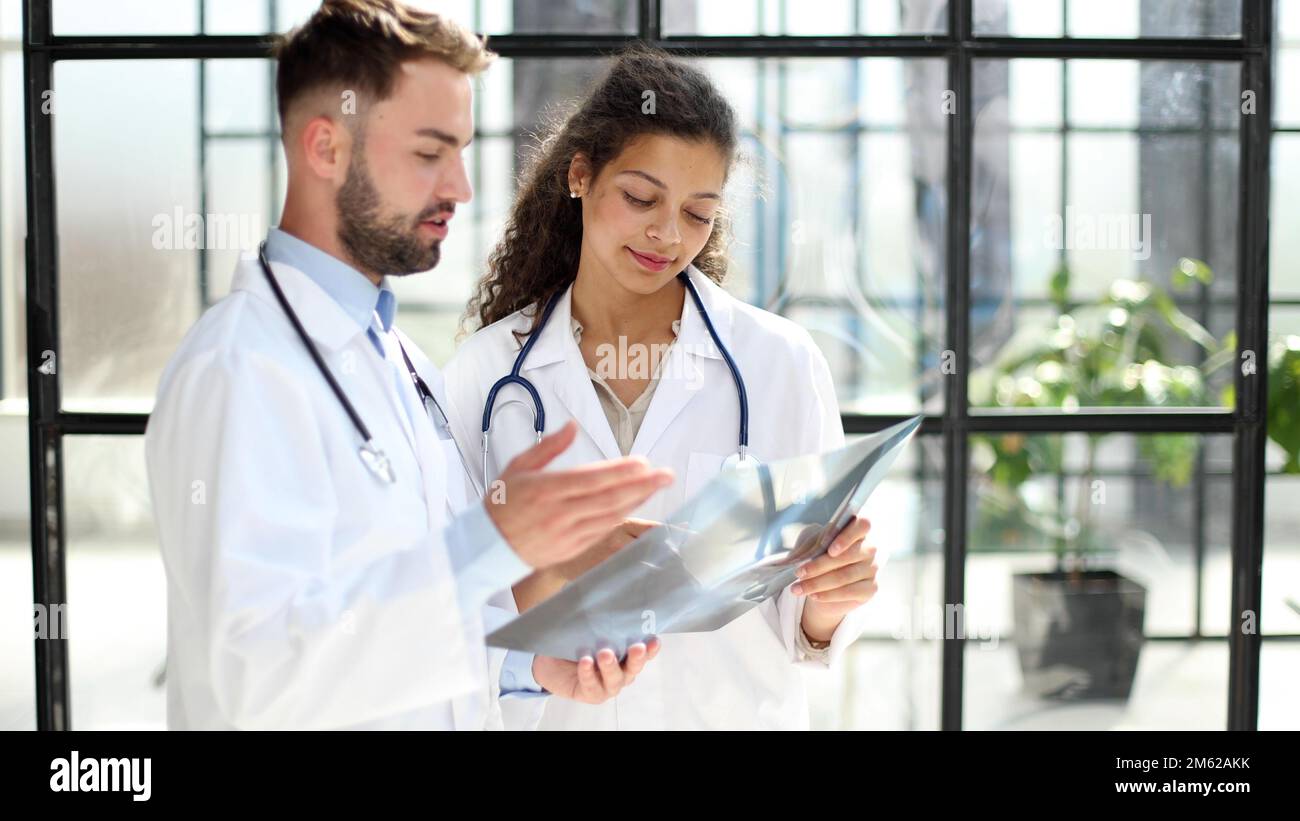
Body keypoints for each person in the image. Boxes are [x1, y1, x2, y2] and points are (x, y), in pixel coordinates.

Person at [144, 0, 669, 731]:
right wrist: (493, 538)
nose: (461, 187)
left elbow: (393, 631)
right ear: (326, 148)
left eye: (461, 150)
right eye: (430, 153)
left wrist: (528, 665)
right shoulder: (240, 369)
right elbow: (255, 678)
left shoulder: (401, 360)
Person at [443, 47, 881, 730]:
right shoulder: (487, 375)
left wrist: (831, 599)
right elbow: (452, 602)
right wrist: (561, 559)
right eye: (641, 198)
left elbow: (803, 624)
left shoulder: (779, 363)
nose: (667, 234)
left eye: (698, 212)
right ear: (581, 174)